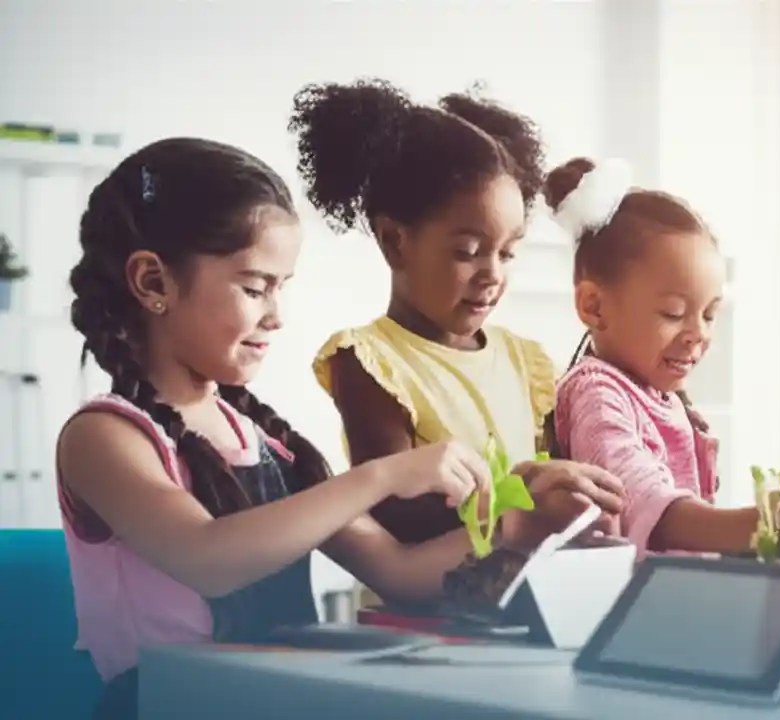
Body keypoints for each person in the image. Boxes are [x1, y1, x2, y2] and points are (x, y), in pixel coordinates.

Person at [57, 138, 585, 719]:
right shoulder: (103, 437)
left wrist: (523, 519)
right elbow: (206, 558)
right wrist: (381, 476)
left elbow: (401, 572)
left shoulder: (264, 441)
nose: (276, 314)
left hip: (277, 702)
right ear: (153, 283)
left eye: (282, 286)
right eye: (255, 287)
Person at [291, 79, 624, 552]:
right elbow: (394, 512)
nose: (492, 274)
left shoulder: (525, 362)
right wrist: (520, 494)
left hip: (529, 599)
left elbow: (560, 479)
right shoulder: (370, 361)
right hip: (429, 608)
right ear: (395, 241)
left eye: (507, 254)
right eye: (468, 252)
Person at [546, 157, 757, 554]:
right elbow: (639, 500)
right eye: (674, 314)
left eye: (709, 314)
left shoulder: (662, 396)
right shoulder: (596, 394)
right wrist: (762, 526)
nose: (698, 334)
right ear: (594, 307)